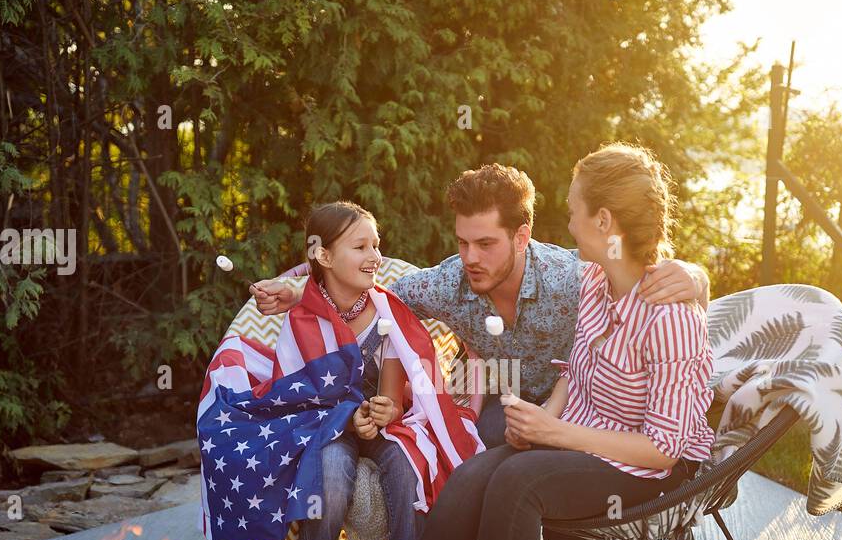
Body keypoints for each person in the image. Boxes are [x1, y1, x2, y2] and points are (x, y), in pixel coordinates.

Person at [369, 144, 717, 540]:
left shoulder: (669, 313)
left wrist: (554, 433)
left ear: (603, 221)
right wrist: (538, 420)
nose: (570, 219)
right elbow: (574, 372)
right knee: (476, 473)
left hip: (635, 466)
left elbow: (667, 448)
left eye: (576, 208)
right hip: (575, 440)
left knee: (514, 485)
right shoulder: (598, 286)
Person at [250, 164, 710, 448]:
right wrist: (297, 291)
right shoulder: (449, 282)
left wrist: (697, 275)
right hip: (500, 402)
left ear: (521, 236)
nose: (471, 257)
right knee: (486, 446)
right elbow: (376, 293)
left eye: (486, 243)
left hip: (577, 410)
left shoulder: (573, 277)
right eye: (463, 242)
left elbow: (636, 271)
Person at [279, 201, 428, 540]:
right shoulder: (302, 320)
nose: (375, 257)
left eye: (376, 245)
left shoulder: (387, 312)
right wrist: (348, 421)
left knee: (406, 470)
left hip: (382, 427)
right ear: (324, 255)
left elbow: (394, 397)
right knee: (327, 472)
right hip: (328, 427)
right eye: (360, 247)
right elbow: (298, 403)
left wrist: (385, 409)